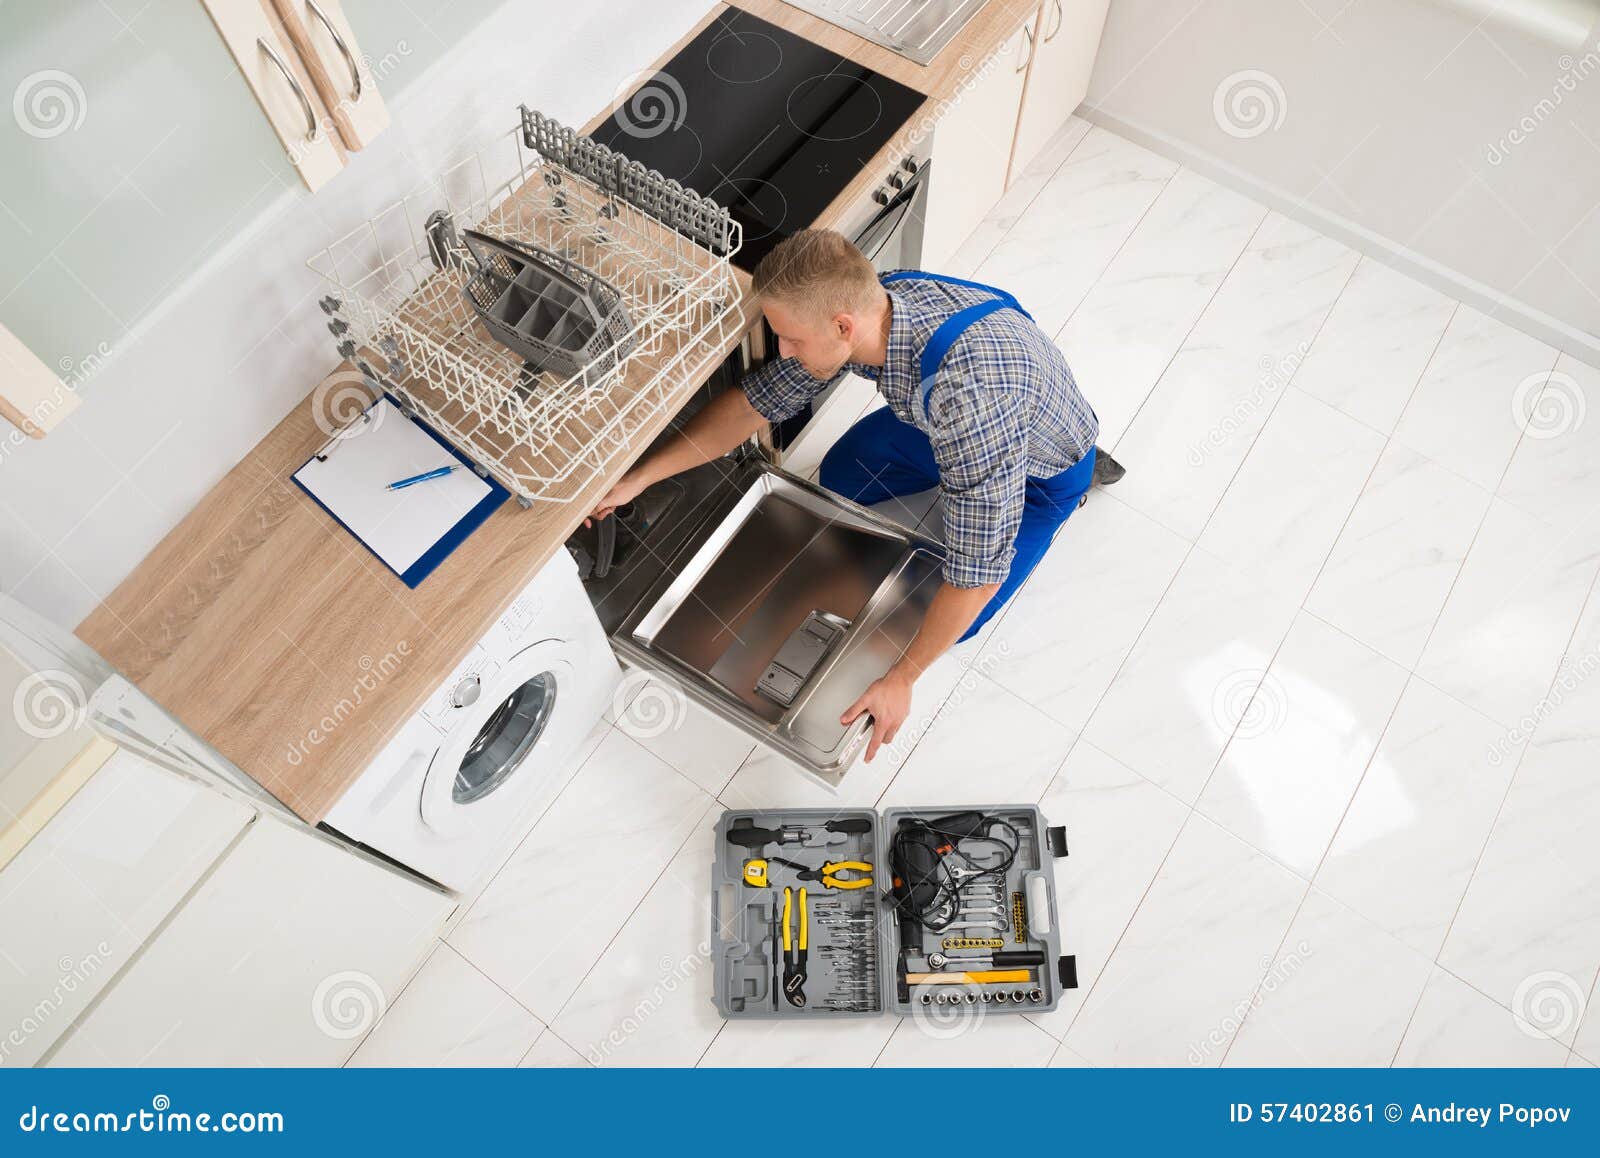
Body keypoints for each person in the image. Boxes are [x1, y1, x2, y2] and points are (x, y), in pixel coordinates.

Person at [591, 229, 1120, 760]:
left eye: (791, 339)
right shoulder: (880, 303)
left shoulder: (970, 402)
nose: (783, 350)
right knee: (844, 472)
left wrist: (902, 678)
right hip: (948, 421)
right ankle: (970, 473)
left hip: (1041, 474)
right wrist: (642, 476)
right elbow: (756, 403)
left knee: (955, 611)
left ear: (843, 327)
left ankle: (1074, 479)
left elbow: (979, 574)